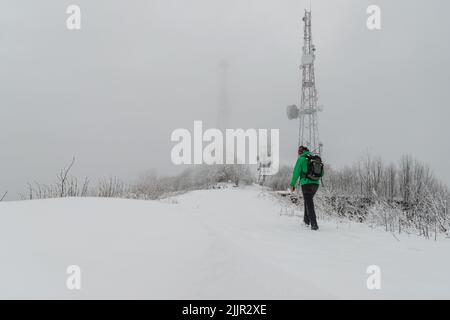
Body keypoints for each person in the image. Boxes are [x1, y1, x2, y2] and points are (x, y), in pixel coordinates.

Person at [290, 146, 322, 231]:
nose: (298, 153)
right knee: (308, 201)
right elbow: (322, 173)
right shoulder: (314, 159)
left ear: (301, 152)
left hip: (306, 184)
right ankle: (306, 221)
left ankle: (314, 224)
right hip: (316, 184)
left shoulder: (301, 159)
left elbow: (296, 172)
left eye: (299, 152)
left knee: (309, 203)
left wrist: (292, 184)